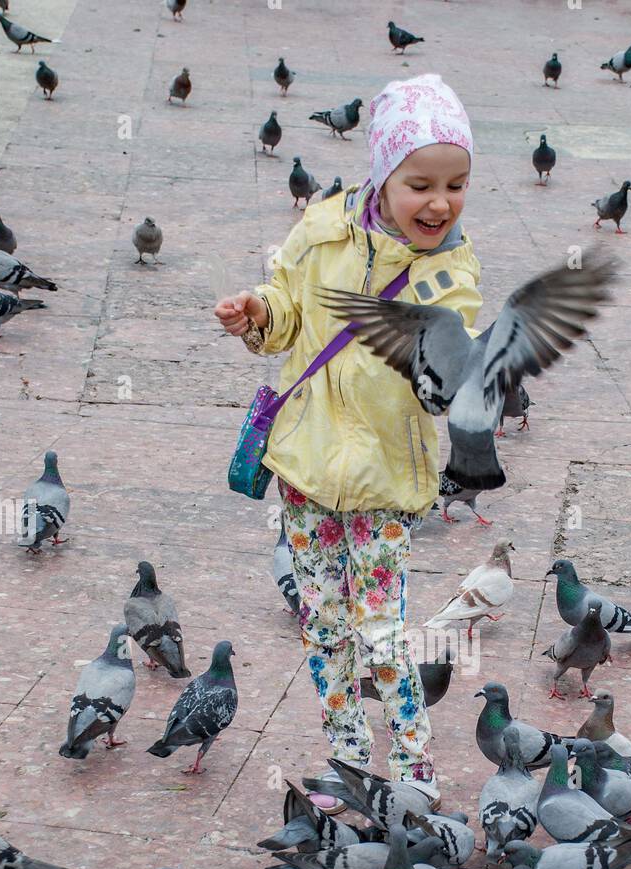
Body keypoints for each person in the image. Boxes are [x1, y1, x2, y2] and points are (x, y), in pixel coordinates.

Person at [215, 74, 481, 813]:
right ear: (382, 175)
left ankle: (415, 766)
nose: (440, 202)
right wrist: (255, 313)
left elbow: (449, 359)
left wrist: (457, 374)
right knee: (321, 624)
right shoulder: (323, 229)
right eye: (420, 183)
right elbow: (288, 314)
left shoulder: (448, 272)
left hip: (383, 478)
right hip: (303, 467)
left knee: (380, 631)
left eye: (456, 185)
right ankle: (347, 758)